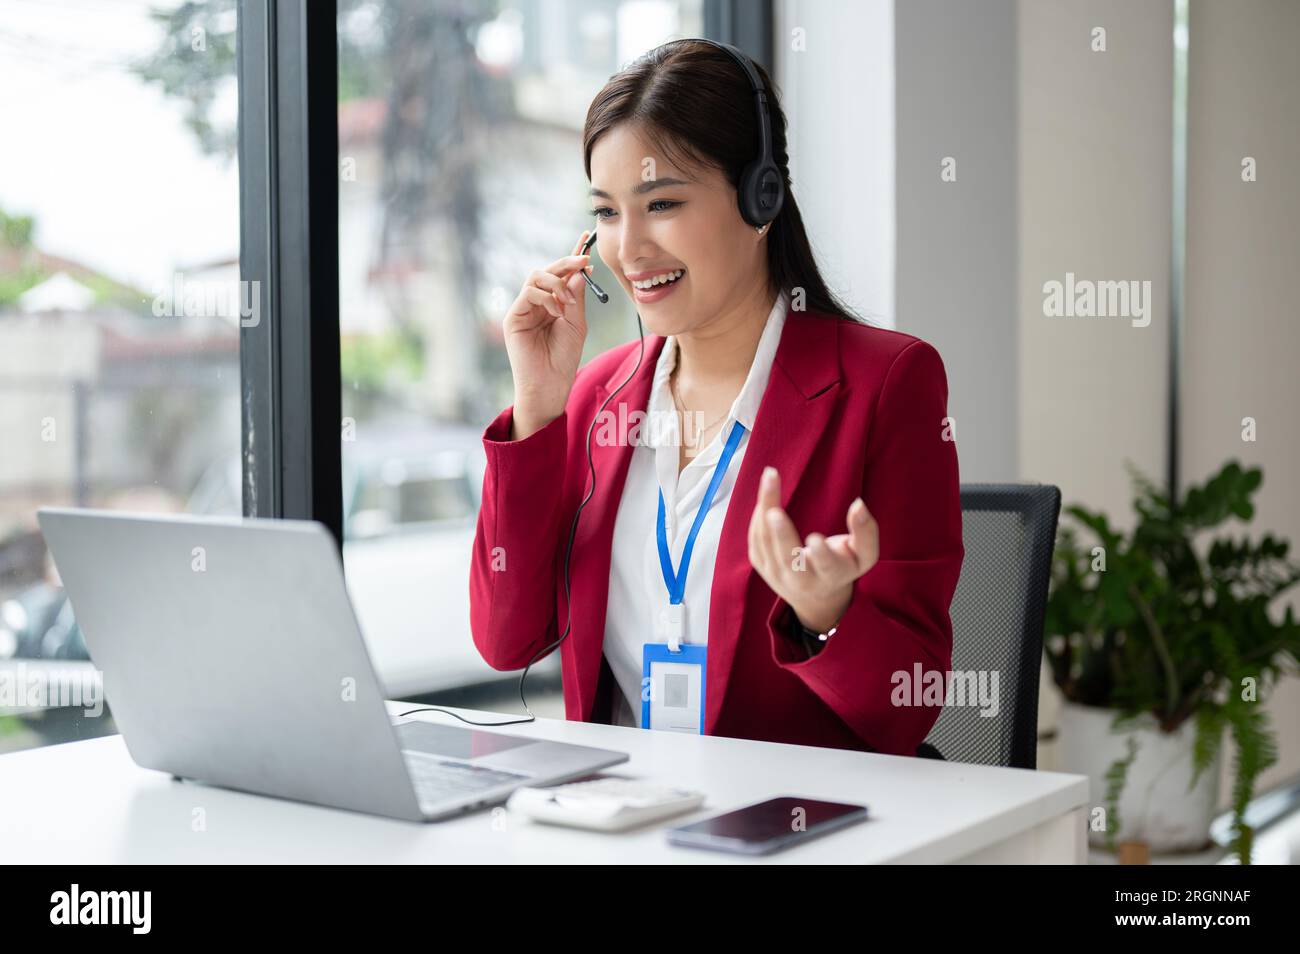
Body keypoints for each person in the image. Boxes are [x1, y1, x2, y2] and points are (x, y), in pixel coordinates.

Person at [469, 39, 963, 756]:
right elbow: (506, 641)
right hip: (625, 820)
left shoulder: (887, 383)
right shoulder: (594, 397)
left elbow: (905, 706)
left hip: (796, 826)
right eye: (606, 213)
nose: (628, 248)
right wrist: (538, 408)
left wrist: (823, 615)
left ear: (760, 198)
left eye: (661, 203)